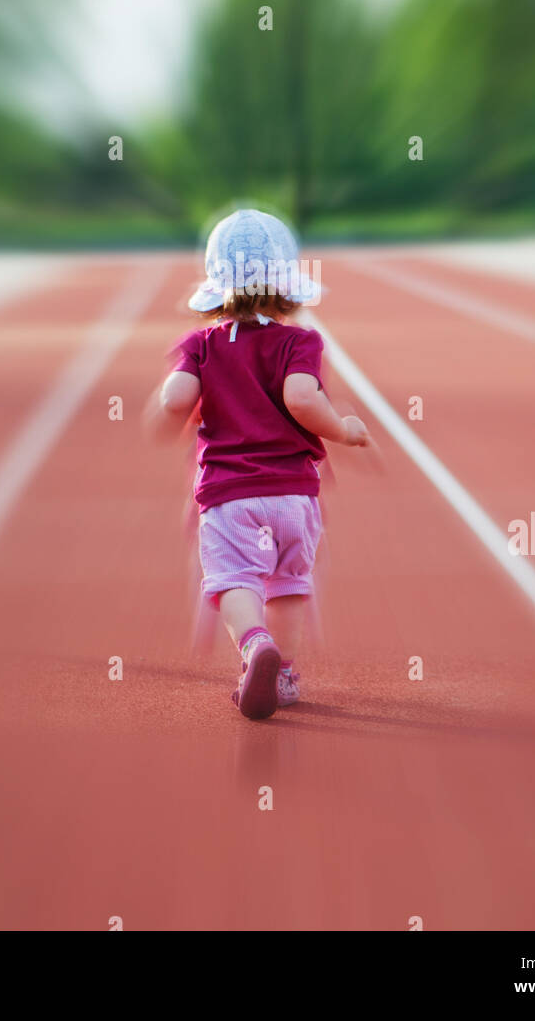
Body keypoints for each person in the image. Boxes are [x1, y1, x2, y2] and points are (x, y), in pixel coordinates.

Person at [146, 208, 372, 720]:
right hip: (294, 492)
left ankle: (254, 644)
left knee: (233, 580)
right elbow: (301, 397)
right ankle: (285, 673)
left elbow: (177, 397)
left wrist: (168, 406)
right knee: (290, 580)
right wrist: (342, 429)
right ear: (286, 283)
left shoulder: (201, 344)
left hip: (229, 495)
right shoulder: (300, 341)